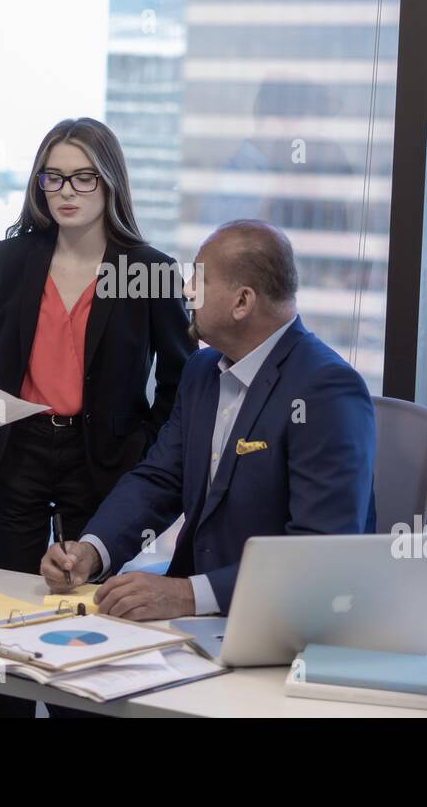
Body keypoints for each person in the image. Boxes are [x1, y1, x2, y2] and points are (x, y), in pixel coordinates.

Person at [0, 117, 192, 716]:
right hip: (18, 451)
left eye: (84, 178)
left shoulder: (147, 270)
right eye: (53, 177)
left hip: (103, 460)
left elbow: (182, 379)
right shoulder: (11, 260)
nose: (67, 191)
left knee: (85, 628)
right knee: (1, 625)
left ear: (110, 185)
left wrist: (144, 451)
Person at [40, 219, 376, 619]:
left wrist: (188, 595)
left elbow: (318, 554)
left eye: (199, 279)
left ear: (242, 302)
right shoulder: (201, 371)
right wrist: (92, 550)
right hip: (193, 625)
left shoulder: (326, 390)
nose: (186, 291)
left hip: (279, 628)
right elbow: (160, 479)